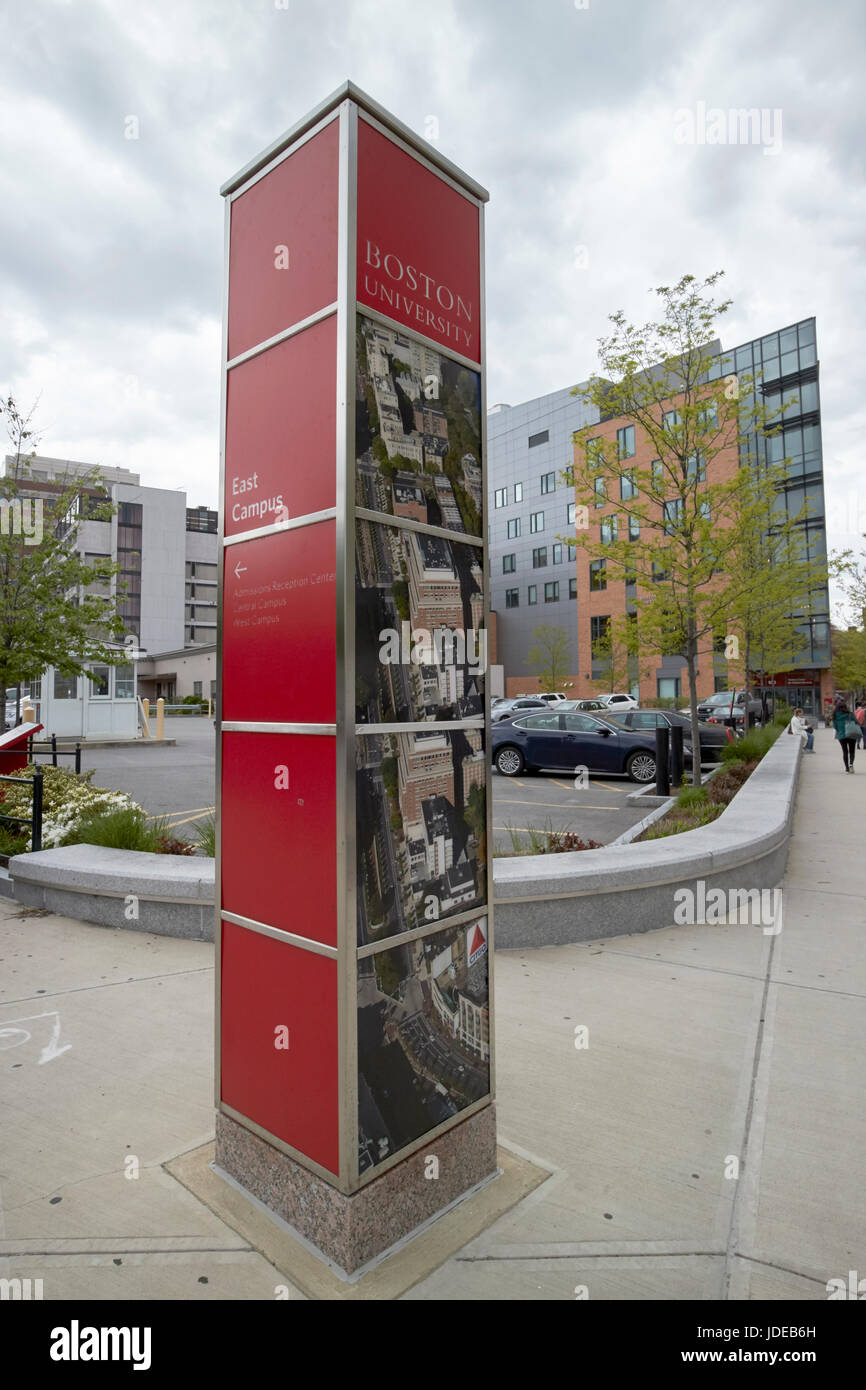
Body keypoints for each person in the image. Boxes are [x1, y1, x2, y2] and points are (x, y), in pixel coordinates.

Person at [833, 700, 859, 773]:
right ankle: (851, 764)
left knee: (845, 751)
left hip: (841, 735)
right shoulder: (850, 714)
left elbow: (835, 726)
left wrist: (840, 730)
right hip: (851, 734)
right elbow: (856, 722)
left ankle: (847, 769)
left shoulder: (835, 715)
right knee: (852, 751)